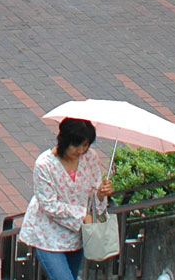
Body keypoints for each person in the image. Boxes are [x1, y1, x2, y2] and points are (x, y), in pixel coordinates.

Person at [17, 117, 114, 280]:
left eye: (86, 145)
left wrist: (101, 194)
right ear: (64, 141)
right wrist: (82, 215)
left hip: (77, 236)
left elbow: (94, 197)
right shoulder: (44, 164)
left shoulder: (90, 158)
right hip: (47, 235)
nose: (81, 150)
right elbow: (49, 205)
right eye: (76, 145)